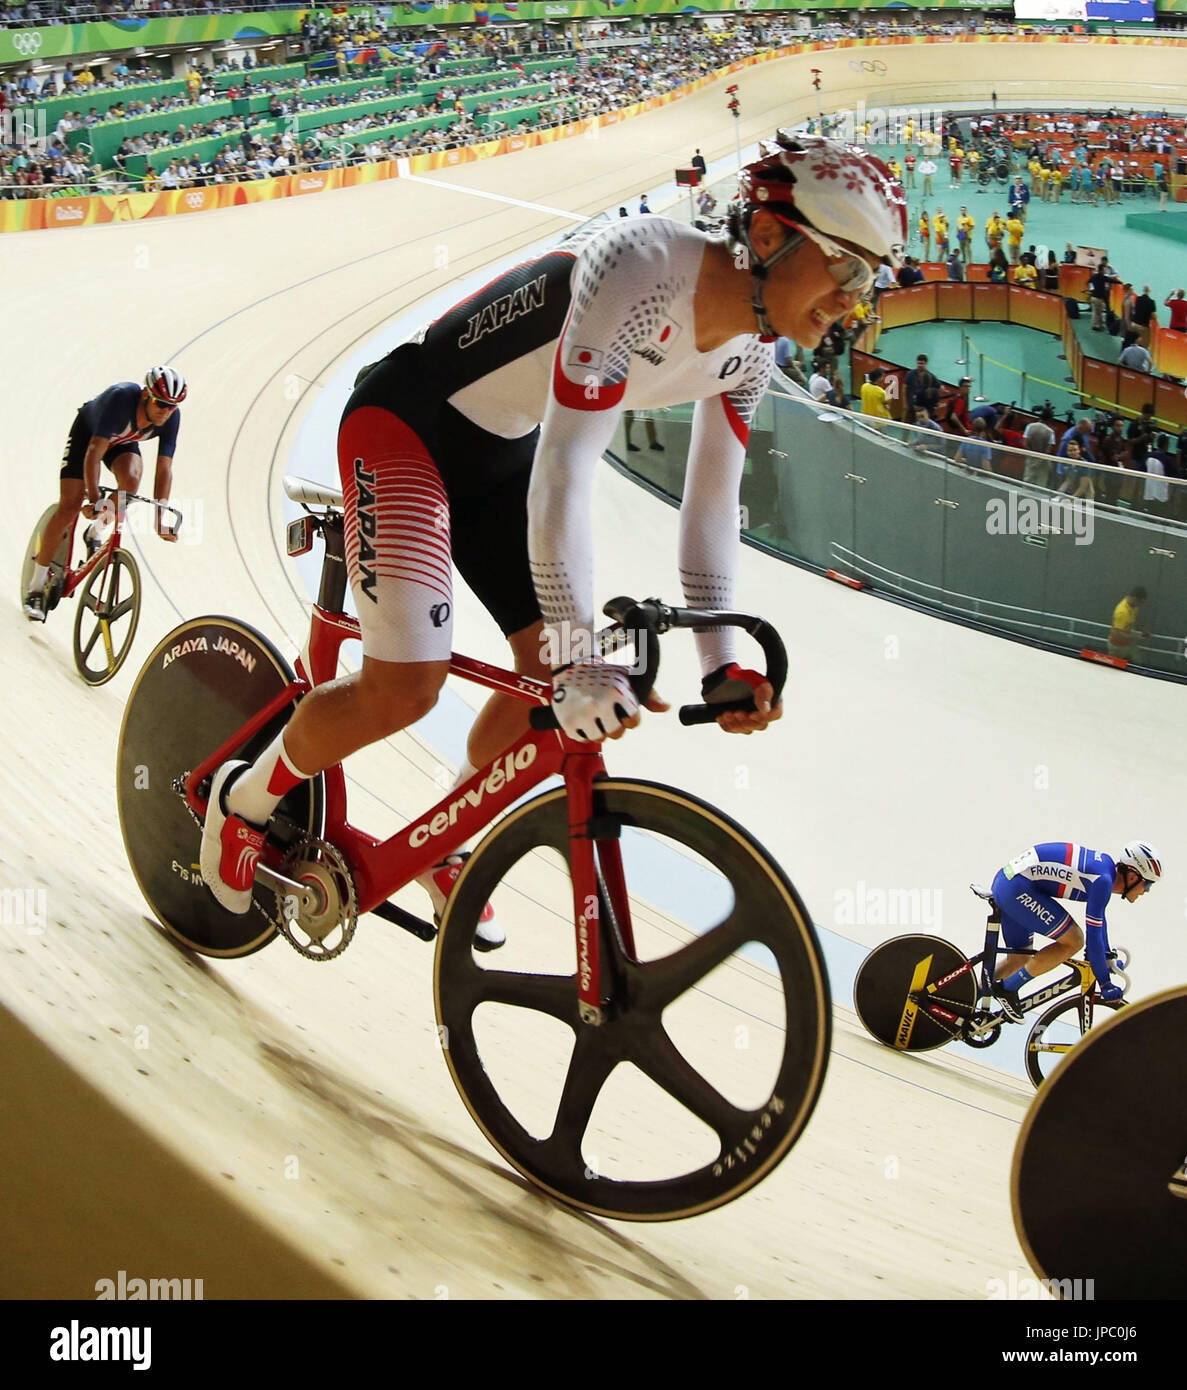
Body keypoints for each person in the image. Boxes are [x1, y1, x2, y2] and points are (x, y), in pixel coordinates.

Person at [197, 131, 907, 925]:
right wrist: (578, 659)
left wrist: (719, 664)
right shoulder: (642, 265)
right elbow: (565, 471)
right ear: (772, 237)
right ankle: (243, 801)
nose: (855, 299)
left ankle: (443, 836)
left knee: (545, 677)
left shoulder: (749, 352)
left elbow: (710, 506)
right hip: (408, 424)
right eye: (847, 268)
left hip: (498, 456)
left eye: (869, 280)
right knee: (410, 687)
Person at [24, 368, 185, 622]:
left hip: (121, 442)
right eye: (161, 403)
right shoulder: (120, 399)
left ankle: (95, 532)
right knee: (69, 506)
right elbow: (93, 455)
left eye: (173, 406)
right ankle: (35, 586)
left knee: (131, 481)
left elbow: (164, 469)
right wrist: (93, 498)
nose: (166, 411)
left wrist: (159, 519)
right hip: (88, 438)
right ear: (146, 395)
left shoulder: (171, 418)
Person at [988, 841, 1161, 1023]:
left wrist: (1106, 957)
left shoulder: (1105, 871)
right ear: (1133, 877)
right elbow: (1093, 937)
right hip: (1016, 889)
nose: (1147, 891)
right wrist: (1105, 983)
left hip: (1010, 882)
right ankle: (1007, 989)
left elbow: (1099, 921)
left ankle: (966, 999)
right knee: (1075, 940)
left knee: (1017, 962)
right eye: (1148, 884)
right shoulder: (1103, 880)